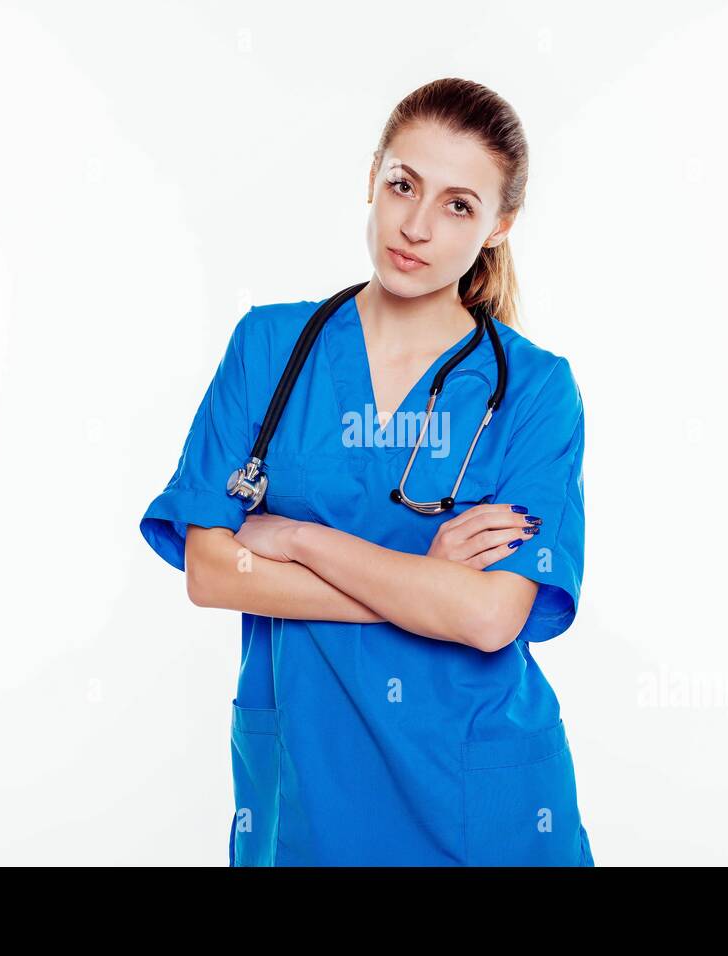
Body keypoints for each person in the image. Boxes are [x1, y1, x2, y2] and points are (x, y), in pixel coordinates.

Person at [140, 77, 593, 866]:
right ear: (373, 177)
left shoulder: (535, 390)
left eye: (459, 205)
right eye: (403, 185)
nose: (416, 226)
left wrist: (297, 539)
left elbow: (490, 619)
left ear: (499, 226)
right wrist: (429, 585)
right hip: (308, 785)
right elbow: (212, 572)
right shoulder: (270, 349)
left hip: (478, 793)